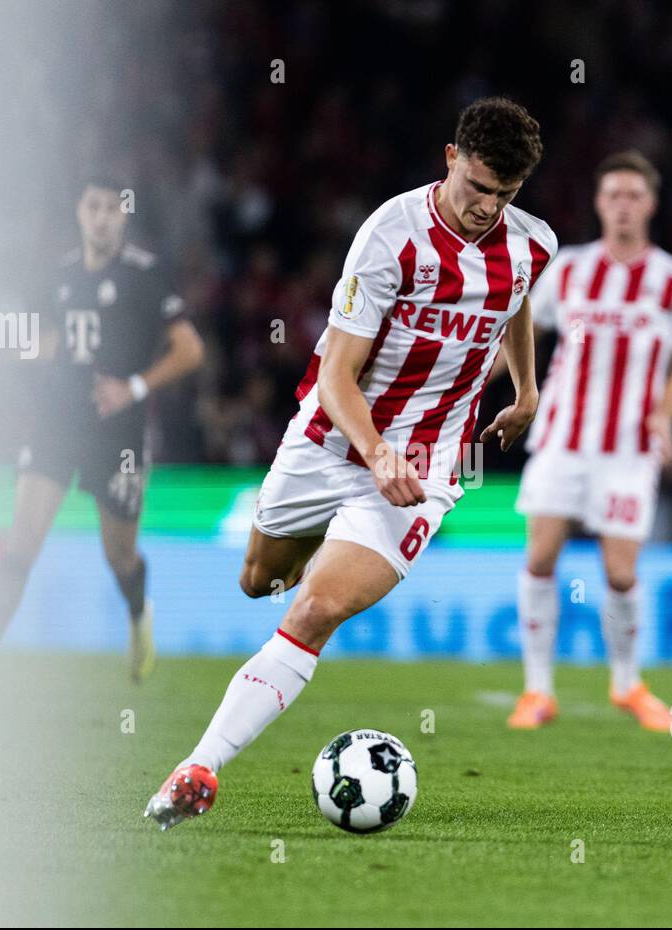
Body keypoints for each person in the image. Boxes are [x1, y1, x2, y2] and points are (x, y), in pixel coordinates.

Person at [144, 97, 557, 830]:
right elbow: (337, 375)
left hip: (425, 468)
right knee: (259, 581)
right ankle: (320, 552)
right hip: (334, 439)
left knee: (317, 607)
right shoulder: (389, 238)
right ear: (451, 158)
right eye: (478, 189)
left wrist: (525, 389)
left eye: (506, 196)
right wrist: (375, 450)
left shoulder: (531, 245)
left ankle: (198, 767)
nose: (487, 209)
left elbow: (514, 301)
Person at [0, 176, 204, 693]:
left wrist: (133, 386)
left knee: (118, 556)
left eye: (111, 207)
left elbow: (190, 349)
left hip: (119, 438)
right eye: (93, 207)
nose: (102, 216)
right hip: (57, 426)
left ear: (123, 215)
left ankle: (138, 614)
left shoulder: (145, 276)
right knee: (22, 542)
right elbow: (48, 345)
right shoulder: (58, 277)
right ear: (79, 213)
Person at [507, 151, 672, 731]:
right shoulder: (568, 268)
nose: (622, 206)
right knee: (540, 557)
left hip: (628, 449)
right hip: (562, 439)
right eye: (612, 194)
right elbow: (520, 333)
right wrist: (470, 385)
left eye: (633, 196)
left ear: (651, 204)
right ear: (598, 203)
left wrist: (665, 415)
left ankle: (627, 683)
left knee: (620, 571)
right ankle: (538, 692)